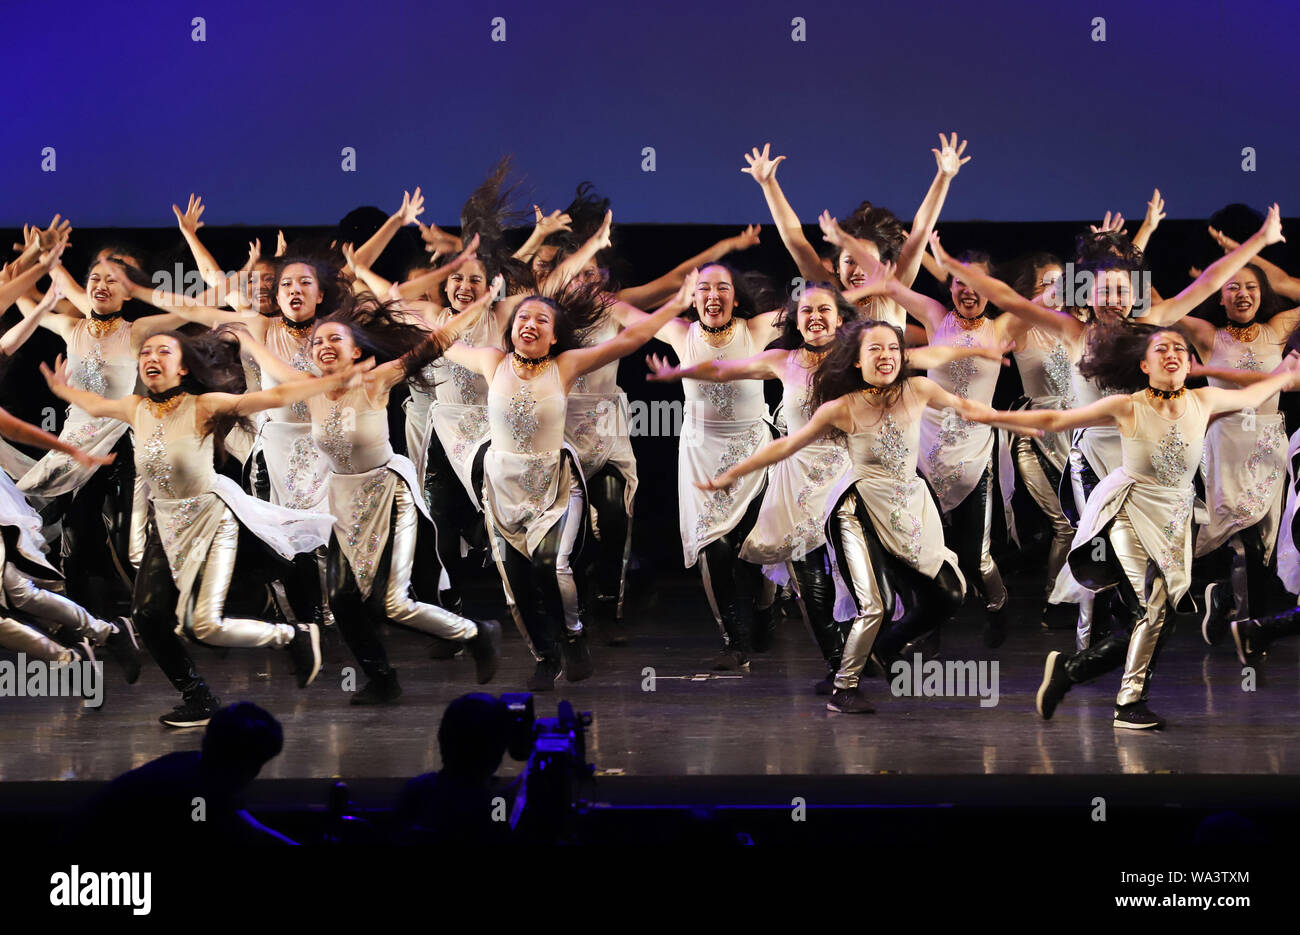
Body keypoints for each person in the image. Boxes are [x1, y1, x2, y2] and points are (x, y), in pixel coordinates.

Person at [699, 319, 1031, 712]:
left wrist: (1028, 421)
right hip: (854, 511)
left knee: (949, 593)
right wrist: (731, 475)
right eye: (874, 349)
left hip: (906, 506)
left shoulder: (919, 389)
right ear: (856, 361)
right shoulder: (842, 407)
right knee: (876, 605)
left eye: (892, 348)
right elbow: (786, 446)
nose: (886, 356)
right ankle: (844, 687)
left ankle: (885, 650)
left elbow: (972, 408)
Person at [40, 329, 363, 727]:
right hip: (167, 524)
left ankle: (292, 637)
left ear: (182, 367)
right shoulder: (134, 406)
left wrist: (334, 381)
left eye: (163, 350)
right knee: (147, 616)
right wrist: (62, 390)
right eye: (145, 352)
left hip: (212, 520)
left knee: (202, 625)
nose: (151, 357)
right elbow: (94, 403)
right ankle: (198, 698)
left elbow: (272, 397)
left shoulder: (203, 405)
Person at [1012, 322, 1300, 729]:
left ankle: (1069, 672)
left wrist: (1288, 370)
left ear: (1189, 362)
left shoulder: (1205, 400)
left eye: (1180, 349)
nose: (1172, 354)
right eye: (1161, 349)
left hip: (1174, 516)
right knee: (1152, 605)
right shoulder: (1129, 405)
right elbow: (1059, 418)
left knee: (1152, 623)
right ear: (1144, 365)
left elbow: (1257, 392)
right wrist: (986, 415)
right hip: (1128, 509)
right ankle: (1128, 704)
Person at [234, 293, 504, 704]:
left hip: (387, 493)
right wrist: (245, 336)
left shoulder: (376, 380)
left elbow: (436, 342)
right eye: (318, 342)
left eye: (334, 341)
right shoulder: (310, 388)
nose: (324, 347)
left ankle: (476, 633)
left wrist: (481, 303)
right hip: (342, 500)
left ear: (356, 350)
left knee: (392, 603)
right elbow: (271, 366)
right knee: (342, 599)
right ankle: (382, 679)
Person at [442, 272, 703, 689]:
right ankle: (546, 656)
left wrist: (674, 306)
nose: (530, 324)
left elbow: (628, 340)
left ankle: (574, 635)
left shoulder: (565, 366)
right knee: (517, 586)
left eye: (542, 321)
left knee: (553, 566)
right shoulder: (492, 361)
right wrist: (472, 306)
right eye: (523, 317)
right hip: (503, 490)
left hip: (555, 486)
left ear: (554, 339)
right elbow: (441, 342)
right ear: (511, 331)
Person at [70, 702, 296, 845]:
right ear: (249, 767)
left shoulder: (191, 766)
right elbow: (236, 829)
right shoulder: (195, 793)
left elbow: (245, 826)